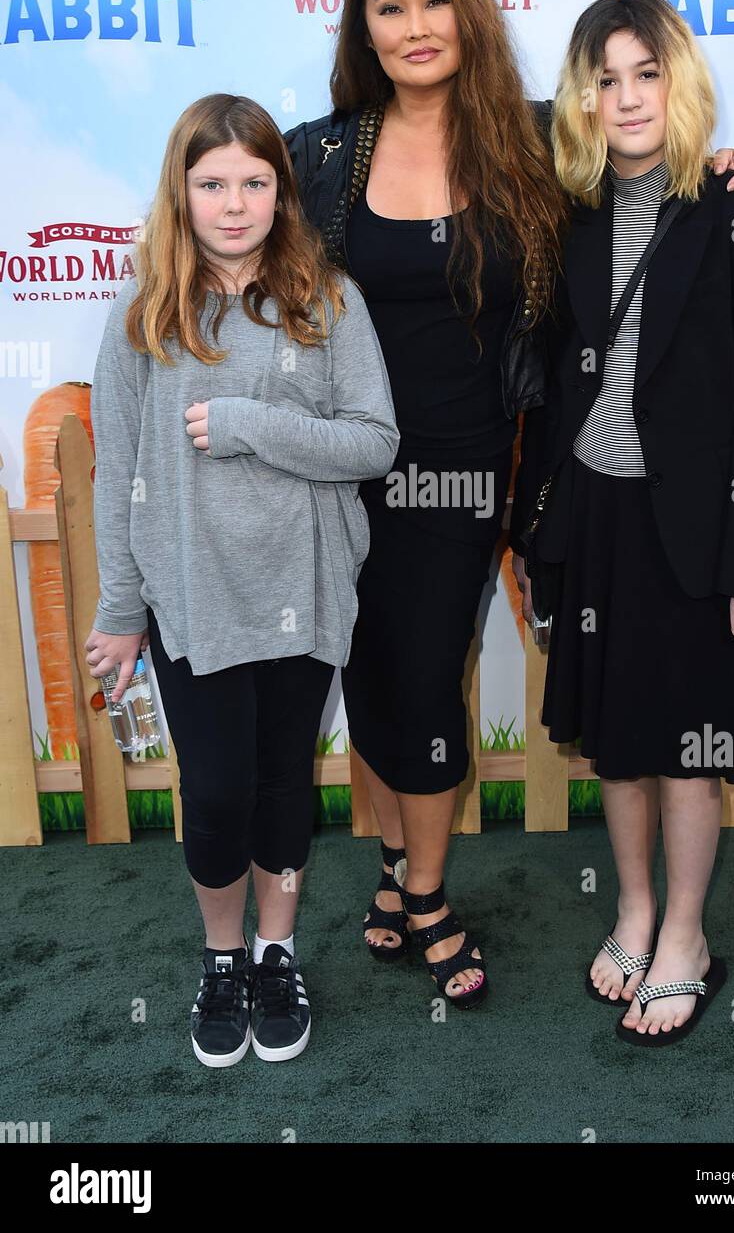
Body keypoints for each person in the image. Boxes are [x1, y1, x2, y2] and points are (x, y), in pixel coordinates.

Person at [284, 0, 734, 1009]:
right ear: (362, 30)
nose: (416, 25)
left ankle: (429, 895)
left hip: (463, 467)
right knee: (367, 675)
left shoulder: (527, 140)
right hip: (334, 463)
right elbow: (238, 245)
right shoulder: (318, 155)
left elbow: (658, 157)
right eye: (388, 6)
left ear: (466, 9)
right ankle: (391, 870)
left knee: (426, 673)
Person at [84, 93, 399, 1066]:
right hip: (195, 599)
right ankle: (222, 959)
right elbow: (118, 472)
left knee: (281, 791)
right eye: (212, 182)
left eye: (254, 182)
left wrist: (253, 422)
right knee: (216, 792)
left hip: (301, 589)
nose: (233, 203)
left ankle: (276, 950)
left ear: (280, 188)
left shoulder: (329, 301)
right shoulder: (144, 315)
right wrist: (120, 611)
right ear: (181, 190)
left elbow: (374, 444)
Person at [510, 0, 734, 1046]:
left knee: (685, 748)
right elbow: (547, 385)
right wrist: (542, 538)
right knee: (616, 742)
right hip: (594, 517)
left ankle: (685, 936)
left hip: (699, 530)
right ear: (579, 96)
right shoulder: (565, 210)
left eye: (646, 71)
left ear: (677, 80)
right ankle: (632, 911)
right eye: (603, 76)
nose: (626, 96)